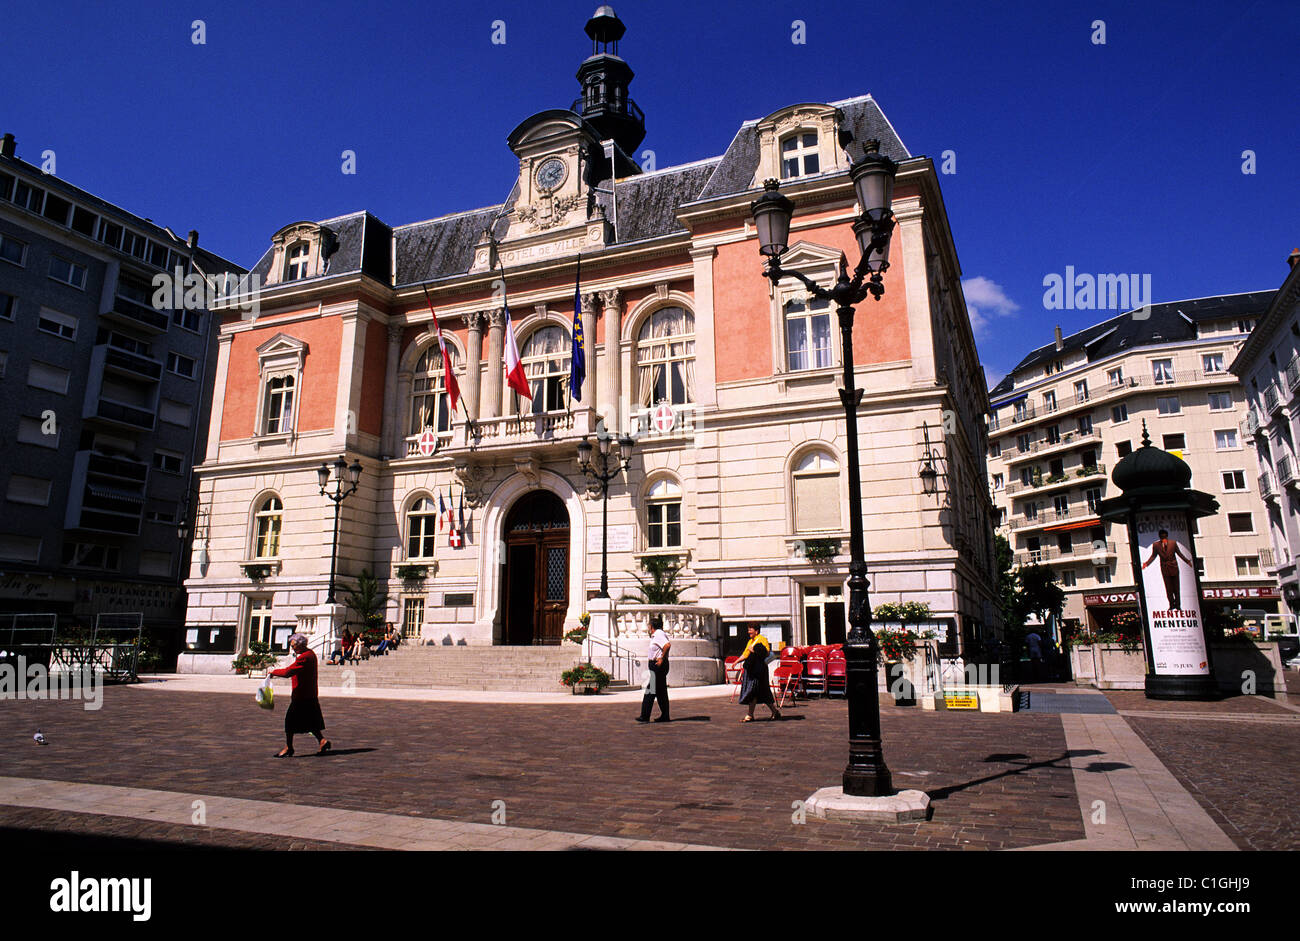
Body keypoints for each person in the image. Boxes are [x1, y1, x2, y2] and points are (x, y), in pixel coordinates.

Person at [268, 633, 330, 758]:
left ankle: (289, 747)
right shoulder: (310, 654)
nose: (292, 649)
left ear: (300, 644)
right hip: (309, 694)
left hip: (302, 695)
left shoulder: (305, 657)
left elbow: (288, 672)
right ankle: (322, 741)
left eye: (294, 646)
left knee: (289, 722)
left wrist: (273, 671)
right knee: (310, 721)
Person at [737, 624, 781, 722]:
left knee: (757, 691)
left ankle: (751, 715)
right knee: (756, 692)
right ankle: (770, 712)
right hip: (752, 670)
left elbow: (766, 653)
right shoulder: (750, 641)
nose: (749, 632)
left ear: (756, 631)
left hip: (759, 670)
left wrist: (754, 650)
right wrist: (736, 662)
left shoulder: (762, 639)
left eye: (750, 630)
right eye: (748, 629)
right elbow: (745, 654)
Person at [1142, 529, 1191, 610]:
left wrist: (1187, 561)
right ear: (1159, 537)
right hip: (1164, 568)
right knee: (1168, 589)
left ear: (1167, 536)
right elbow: (1153, 556)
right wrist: (1146, 563)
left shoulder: (1173, 543)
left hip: (1174, 567)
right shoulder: (1156, 545)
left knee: (1176, 588)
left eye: (1164, 536)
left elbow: (1179, 553)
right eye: (1161, 537)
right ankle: (1171, 605)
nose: (1163, 538)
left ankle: (1178, 606)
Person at [636, 616, 671, 723]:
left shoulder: (659, 634)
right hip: (657, 666)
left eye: (649, 625)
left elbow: (667, 645)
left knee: (650, 691)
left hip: (658, 666)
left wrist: (661, 658)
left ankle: (644, 716)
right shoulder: (656, 635)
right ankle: (665, 715)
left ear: (652, 626)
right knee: (661, 692)